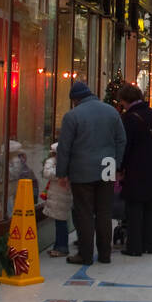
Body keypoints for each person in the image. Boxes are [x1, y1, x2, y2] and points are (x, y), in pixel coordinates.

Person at [56, 80, 126, 265]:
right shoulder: (111, 112)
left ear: (75, 100)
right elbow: (121, 140)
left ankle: (85, 255)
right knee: (104, 212)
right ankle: (105, 255)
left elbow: (64, 147)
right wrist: (117, 165)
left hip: (82, 171)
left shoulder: (72, 116)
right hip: (107, 168)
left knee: (84, 213)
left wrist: (61, 173)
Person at [116, 83, 152, 256]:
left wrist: (120, 167)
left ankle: (135, 247)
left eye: (121, 101)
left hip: (136, 168)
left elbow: (126, 146)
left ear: (125, 100)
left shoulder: (130, 118)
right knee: (150, 206)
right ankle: (150, 244)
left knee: (134, 207)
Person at [40, 143, 73, 258]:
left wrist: (61, 173)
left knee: (61, 223)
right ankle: (58, 246)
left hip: (60, 197)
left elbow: (47, 173)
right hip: (59, 196)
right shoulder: (63, 162)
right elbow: (47, 173)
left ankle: (62, 248)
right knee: (60, 222)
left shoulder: (59, 162)